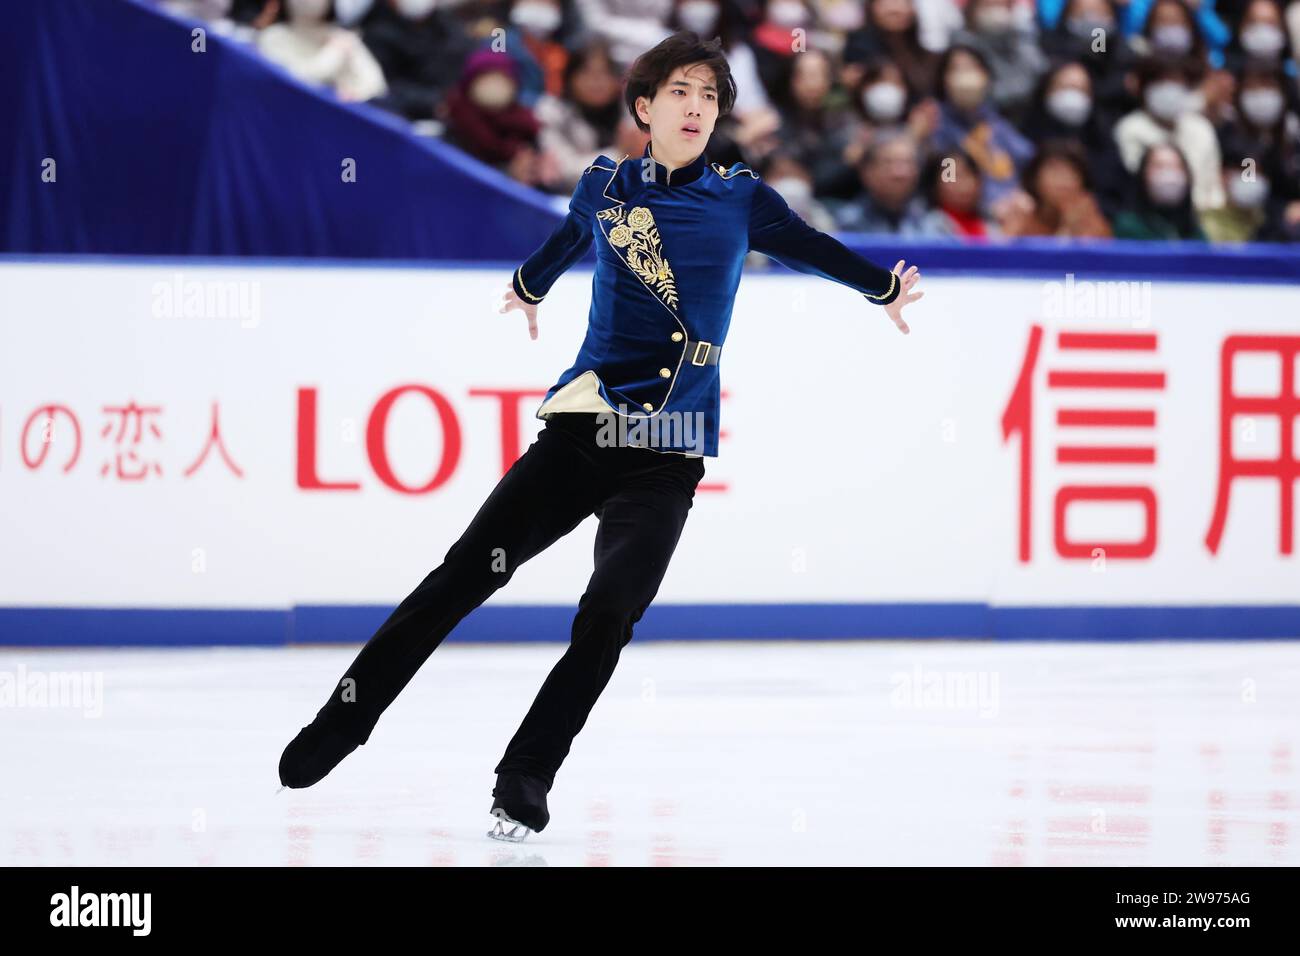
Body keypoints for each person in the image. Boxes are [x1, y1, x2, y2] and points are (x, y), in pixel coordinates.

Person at [277, 31, 923, 842]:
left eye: (711, 96)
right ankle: (344, 720)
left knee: (610, 611)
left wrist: (881, 290)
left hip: (670, 452)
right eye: (680, 92)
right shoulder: (604, 184)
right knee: (461, 578)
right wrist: (526, 286)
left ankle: (525, 776)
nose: (697, 107)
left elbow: (812, 249)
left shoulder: (741, 198)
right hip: (582, 431)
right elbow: (564, 243)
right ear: (645, 108)